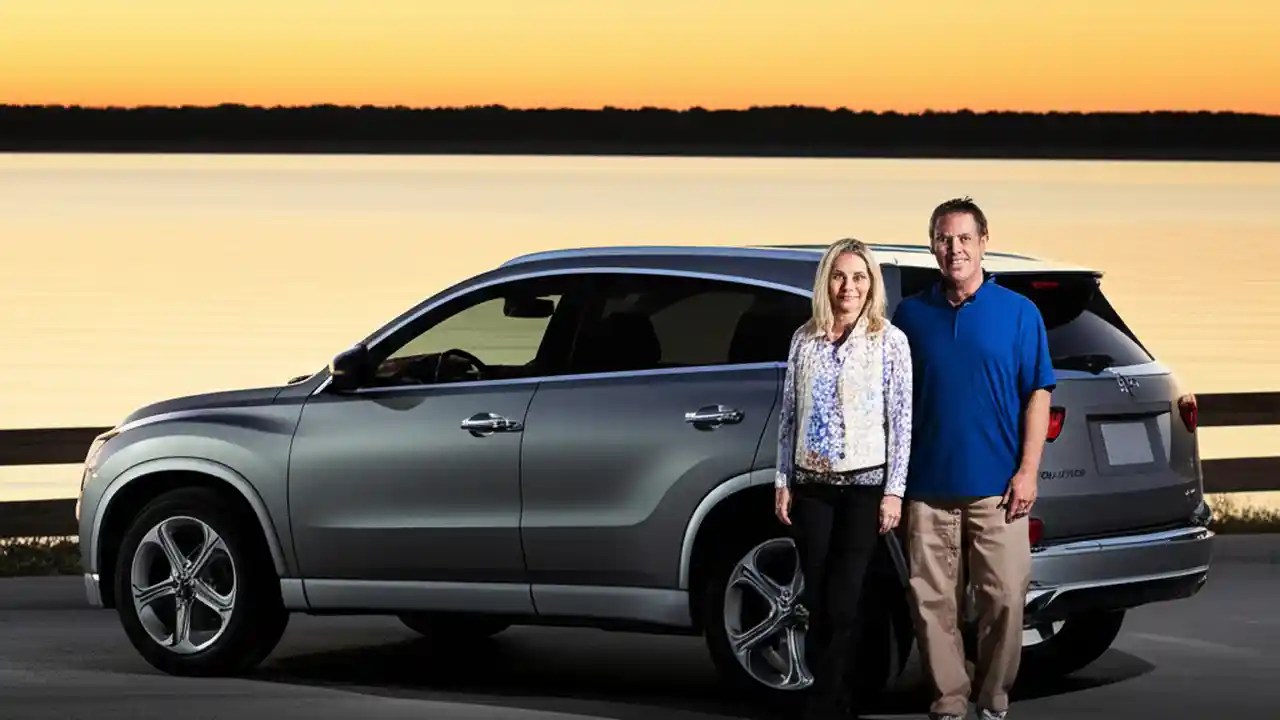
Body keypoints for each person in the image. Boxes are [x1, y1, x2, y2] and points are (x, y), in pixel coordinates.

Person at [892, 197, 1056, 720]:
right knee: (931, 607)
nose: (954, 248)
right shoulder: (911, 315)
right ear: (932, 245)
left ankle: (992, 700)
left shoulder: (1019, 314)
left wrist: (1028, 471)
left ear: (984, 242)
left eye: (964, 238)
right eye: (944, 238)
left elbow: (1038, 394)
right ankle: (949, 702)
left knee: (1005, 602)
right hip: (926, 492)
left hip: (998, 491)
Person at [774, 238, 913, 719]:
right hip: (811, 484)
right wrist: (782, 479)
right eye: (839, 276)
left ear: (870, 283)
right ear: (826, 281)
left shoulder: (888, 341)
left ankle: (835, 702)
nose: (848, 286)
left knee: (846, 599)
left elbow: (901, 420)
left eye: (858, 277)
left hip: (864, 486)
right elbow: (789, 414)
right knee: (815, 597)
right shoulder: (805, 339)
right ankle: (826, 694)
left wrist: (894, 490)